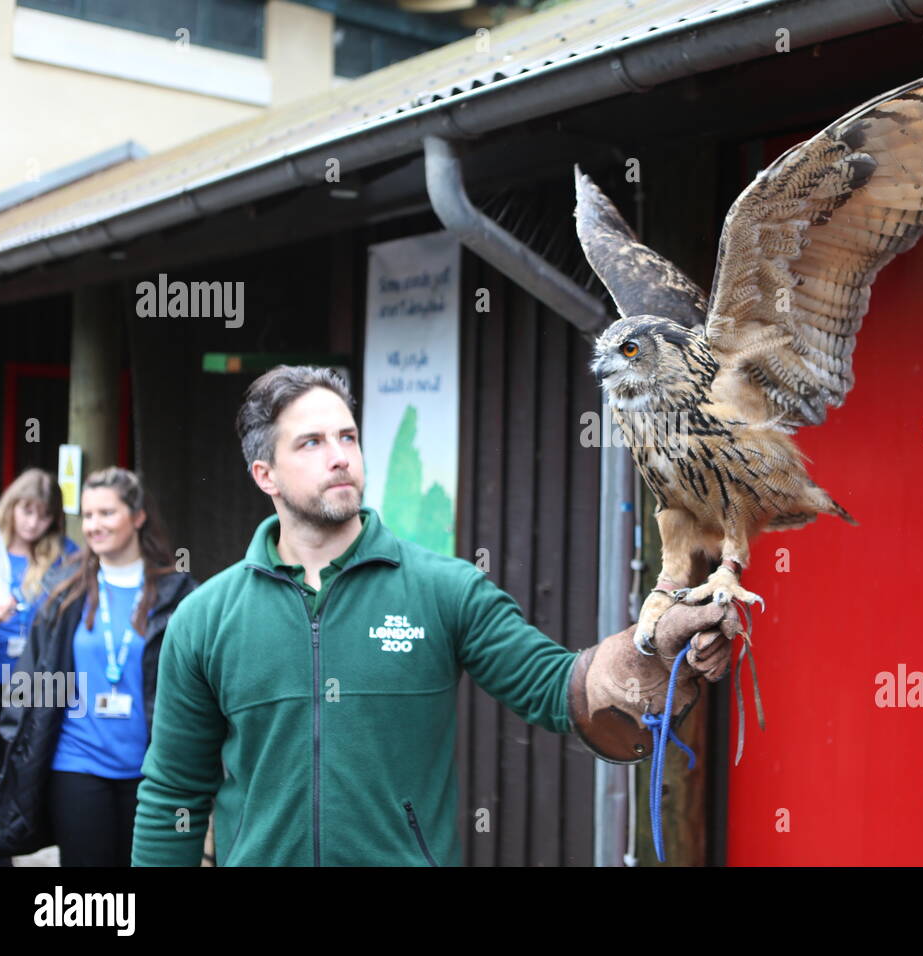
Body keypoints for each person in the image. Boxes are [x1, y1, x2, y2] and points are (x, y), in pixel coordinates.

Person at [131, 365, 737, 866]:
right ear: (265, 474)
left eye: (347, 437)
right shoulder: (205, 619)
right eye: (311, 443)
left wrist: (650, 648)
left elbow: (556, 685)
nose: (339, 457)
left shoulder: (444, 589)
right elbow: (171, 795)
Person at [0, 468, 197, 866]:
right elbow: (30, 680)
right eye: (88, 516)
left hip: (151, 769)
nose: (94, 526)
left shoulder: (177, 592)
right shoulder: (63, 589)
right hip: (77, 763)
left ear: (137, 517)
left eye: (106, 513)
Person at [0, 468, 77, 867]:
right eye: (26, 511)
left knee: (29, 766)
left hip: (39, 684)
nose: (33, 523)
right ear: (11, 506)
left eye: (43, 514)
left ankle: (17, 838)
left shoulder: (66, 553)